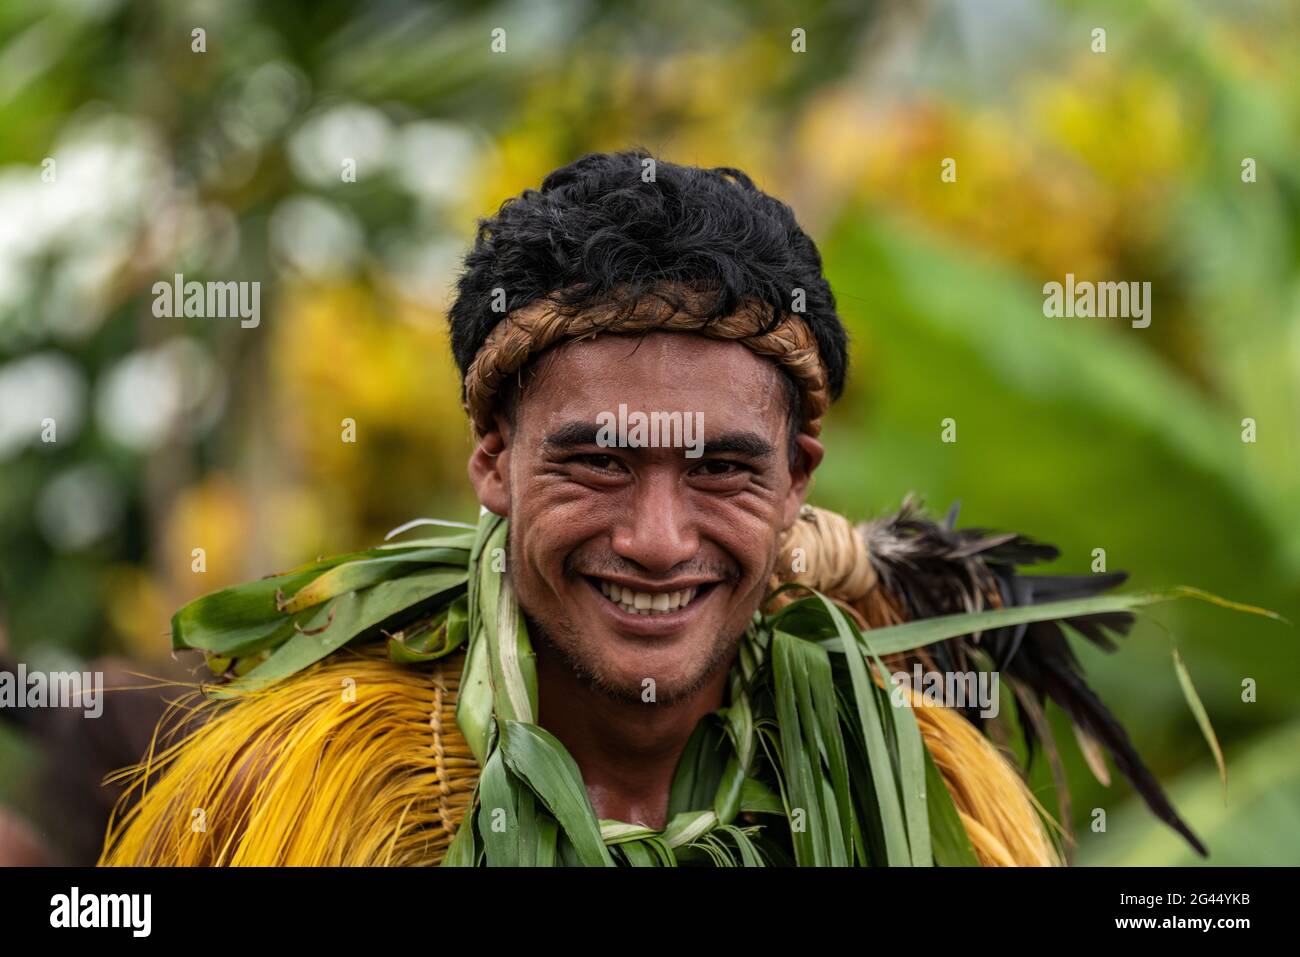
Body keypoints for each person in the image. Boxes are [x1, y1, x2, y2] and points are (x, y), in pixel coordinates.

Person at [99, 150, 1202, 867]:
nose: (658, 540)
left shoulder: (926, 803)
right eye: (598, 464)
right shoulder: (300, 801)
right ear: (492, 459)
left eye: (723, 470)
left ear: (798, 476)